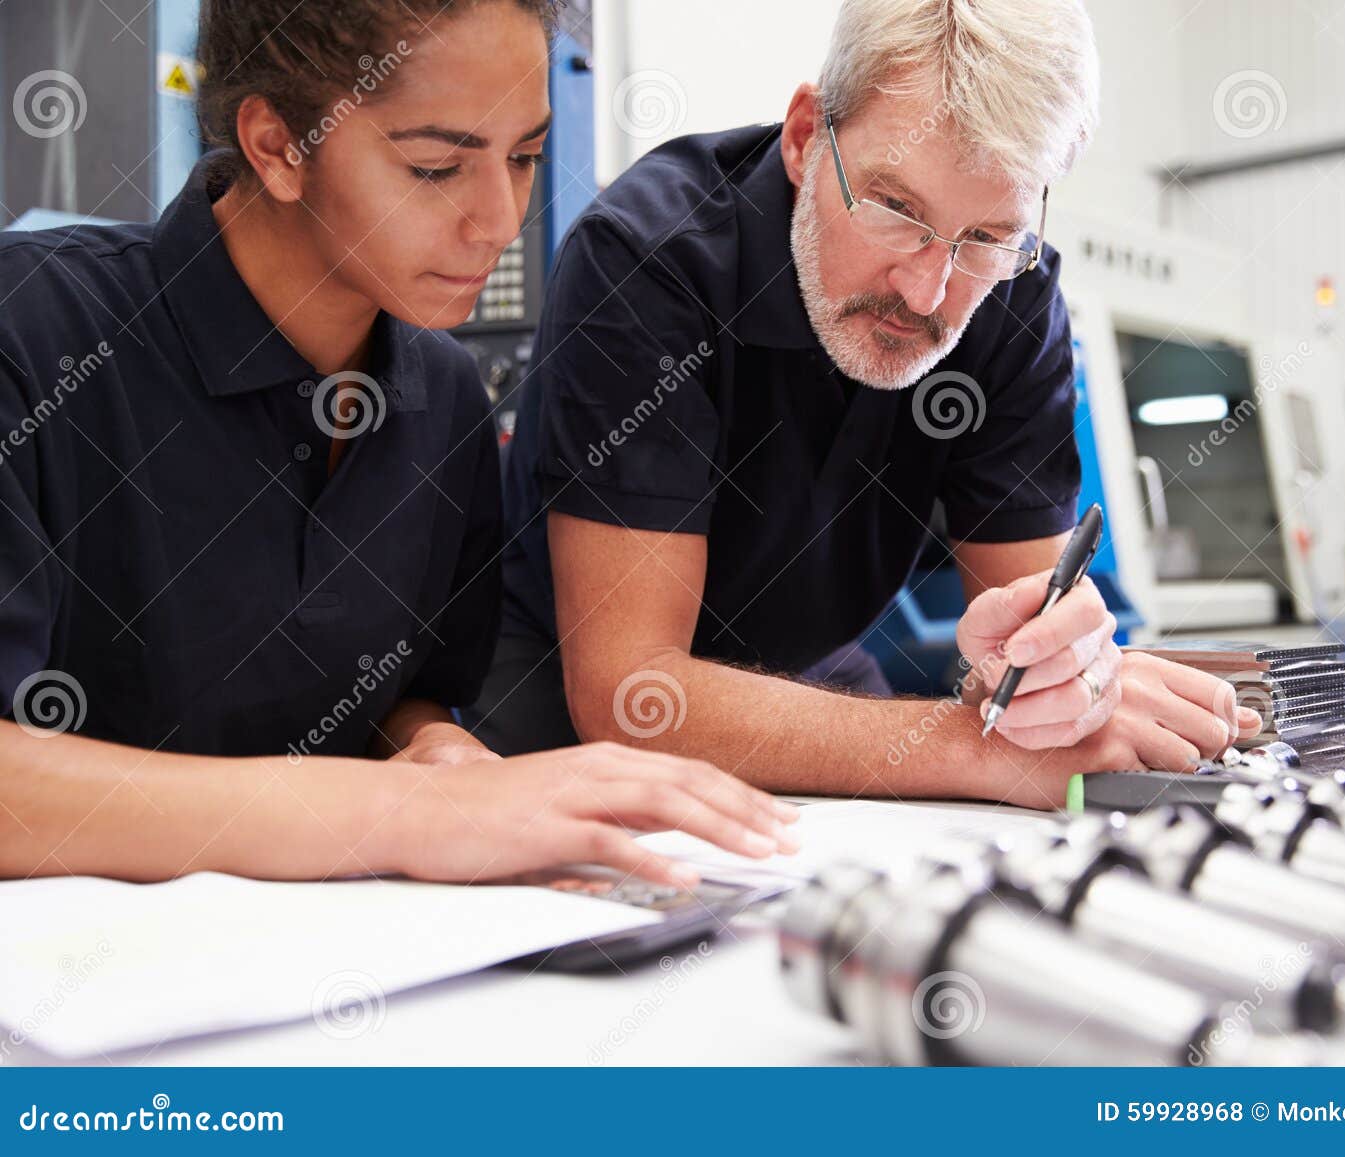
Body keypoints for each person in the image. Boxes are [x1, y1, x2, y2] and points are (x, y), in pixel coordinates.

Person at [0, 0, 796, 885]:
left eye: (524, 157)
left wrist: (437, 752)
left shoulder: (443, 397)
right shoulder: (33, 336)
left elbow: (400, 698)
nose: (500, 220)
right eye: (434, 167)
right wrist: (398, 814)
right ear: (277, 145)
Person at [470, 0, 1261, 808]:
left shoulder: (1012, 297)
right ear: (804, 138)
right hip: (560, 697)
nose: (927, 292)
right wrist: (978, 750)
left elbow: (1030, 649)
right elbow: (633, 693)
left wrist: (1068, 682)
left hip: (808, 672)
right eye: (897, 209)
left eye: (987, 237)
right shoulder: (651, 261)